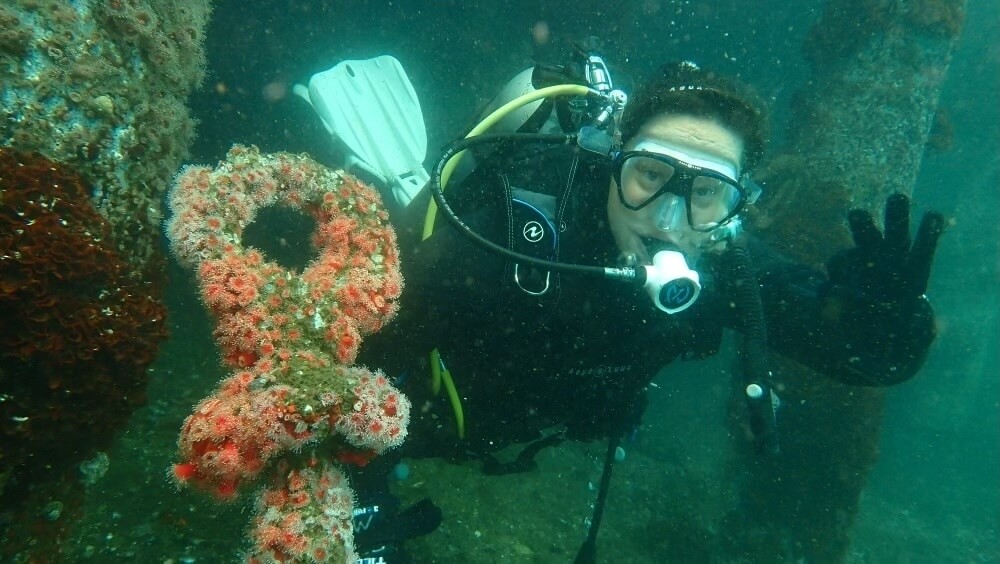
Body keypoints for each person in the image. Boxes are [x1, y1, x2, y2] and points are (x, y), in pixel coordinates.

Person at [338, 56, 944, 561]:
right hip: (426, 418)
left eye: (706, 192)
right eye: (649, 174)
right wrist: (359, 497)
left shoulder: (723, 265)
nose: (668, 216)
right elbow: (358, 353)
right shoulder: (510, 215)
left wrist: (887, 330)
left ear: (735, 210)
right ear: (612, 159)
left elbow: (856, 354)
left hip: (527, 421)